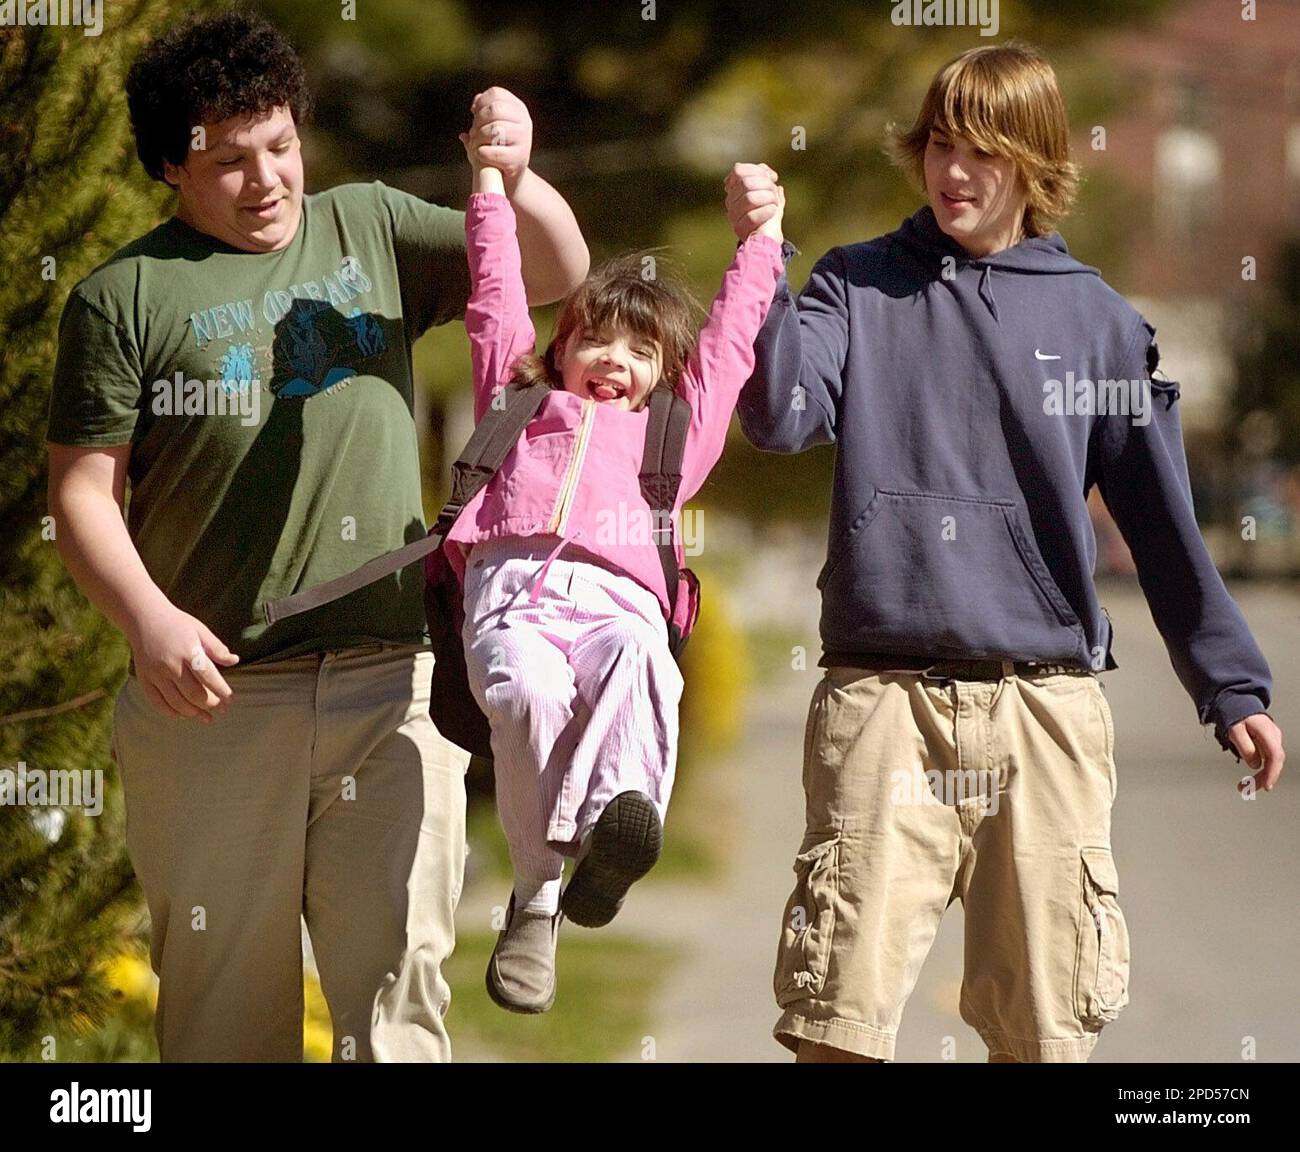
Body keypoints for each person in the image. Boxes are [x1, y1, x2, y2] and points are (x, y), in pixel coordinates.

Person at [44, 9, 589, 1061]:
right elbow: (81, 493)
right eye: (231, 161)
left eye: (282, 146)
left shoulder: (372, 227)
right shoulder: (123, 298)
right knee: (222, 1018)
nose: (267, 181)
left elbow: (555, 270)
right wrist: (149, 622)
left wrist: (513, 178)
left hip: (392, 685)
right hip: (212, 704)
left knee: (398, 999)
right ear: (171, 166)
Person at [732, 41, 1285, 1063]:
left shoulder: (1099, 324)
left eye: (981, 151)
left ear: (1032, 162)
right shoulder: (852, 285)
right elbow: (776, 417)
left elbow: (1161, 525)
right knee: (833, 1029)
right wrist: (758, 265)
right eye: (940, 144)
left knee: (1042, 1034)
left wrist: (1232, 686)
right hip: (880, 704)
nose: (952, 171)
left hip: (1043, 709)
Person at [444, 126, 787, 1013]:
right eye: (597, 340)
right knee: (521, 695)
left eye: (641, 354)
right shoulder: (513, 403)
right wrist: (488, 183)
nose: (615, 362)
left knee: (641, 664)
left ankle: (610, 828)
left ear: (661, 376)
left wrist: (761, 238)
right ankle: (541, 890)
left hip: (618, 600)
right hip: (514, 592)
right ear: (560, 350)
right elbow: (493, 295)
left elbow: (730, 343)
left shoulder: (674, 437)